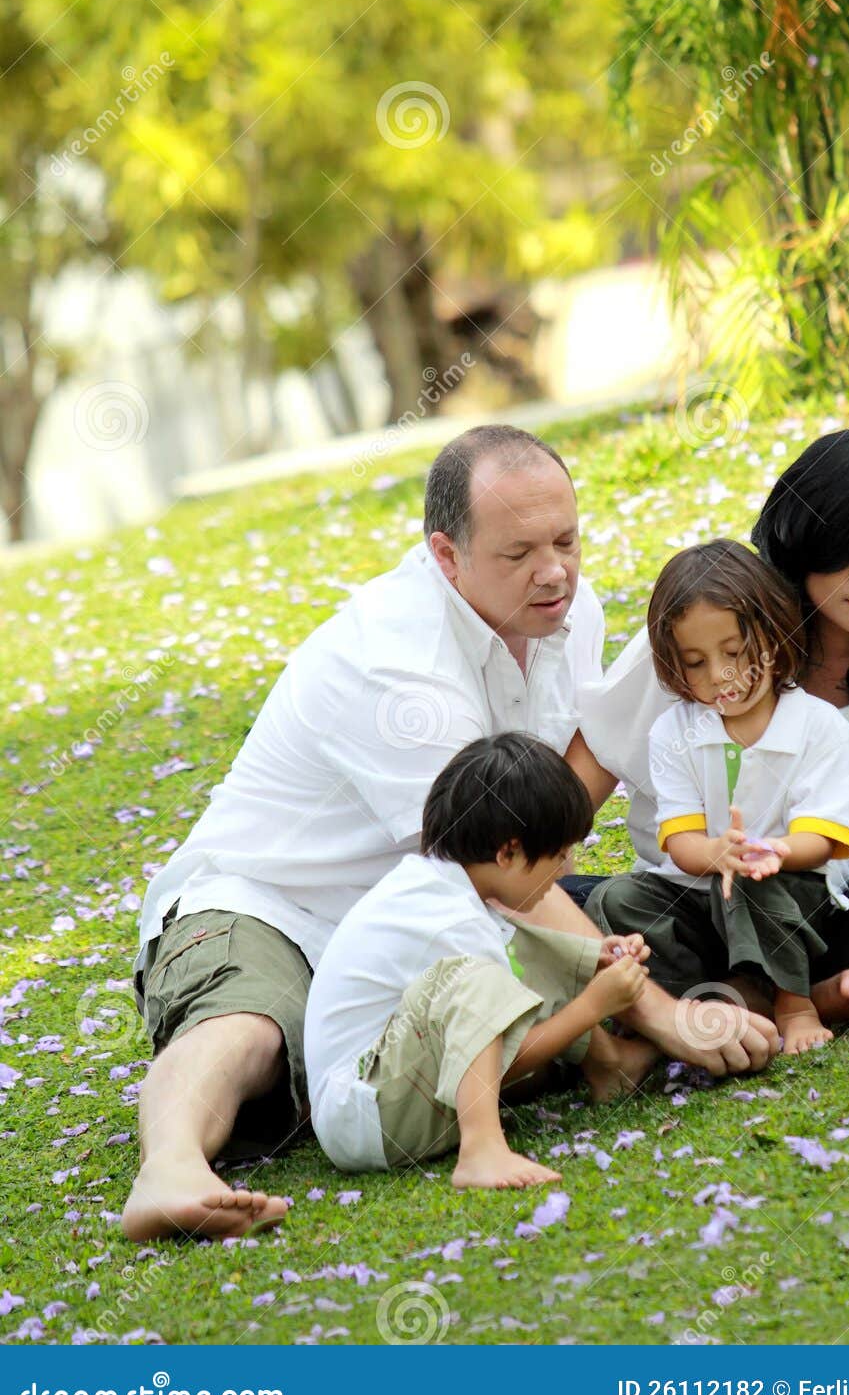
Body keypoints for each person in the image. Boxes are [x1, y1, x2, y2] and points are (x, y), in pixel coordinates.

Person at [124, 424, 777, 1243]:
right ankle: (171, 1168)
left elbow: (531, 841)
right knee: (254, 1027)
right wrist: (660, 1015)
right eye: (518, 555)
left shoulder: (568, 616)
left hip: (439, 920)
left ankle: (695, 1024)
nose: (554, 573)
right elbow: (486, 854)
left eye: (567, 541)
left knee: (650, 923)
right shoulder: (396, 665)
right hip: (271, 905)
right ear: (446, 554)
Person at [567, 428, 849, 1049]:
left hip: (819, 913)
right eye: (845, 551)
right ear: (800, 544)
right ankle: (775, 999)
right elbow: (594, 758)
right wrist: (526, 876)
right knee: (568, 906)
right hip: (685, 905)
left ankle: (733, 1001)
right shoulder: (706, 626)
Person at [305, 734, 658, 1188]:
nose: (567, 872)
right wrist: (592, 1007)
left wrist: (596, 959)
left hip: (387, 1095)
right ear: (508, 852)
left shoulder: (445, 888)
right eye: (559, 855)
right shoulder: (450, 920)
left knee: (520, 941)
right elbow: (499, 1063)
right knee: (477, 977)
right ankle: (483, 1149)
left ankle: (608, 1066)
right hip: (372, 1114)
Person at [583, 541, 849, 1054]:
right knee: (613, 899)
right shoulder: (674, 732)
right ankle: (711, 1004)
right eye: (695, 662)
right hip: (702, 894)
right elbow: (682, 840)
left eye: (734, 653)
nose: (720, 677)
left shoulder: (819, 727)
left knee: (754, 881)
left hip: (789, 896)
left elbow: (822, 840)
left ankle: (795, 1003)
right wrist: (718, 854)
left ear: (776, 632)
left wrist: (773, 851)